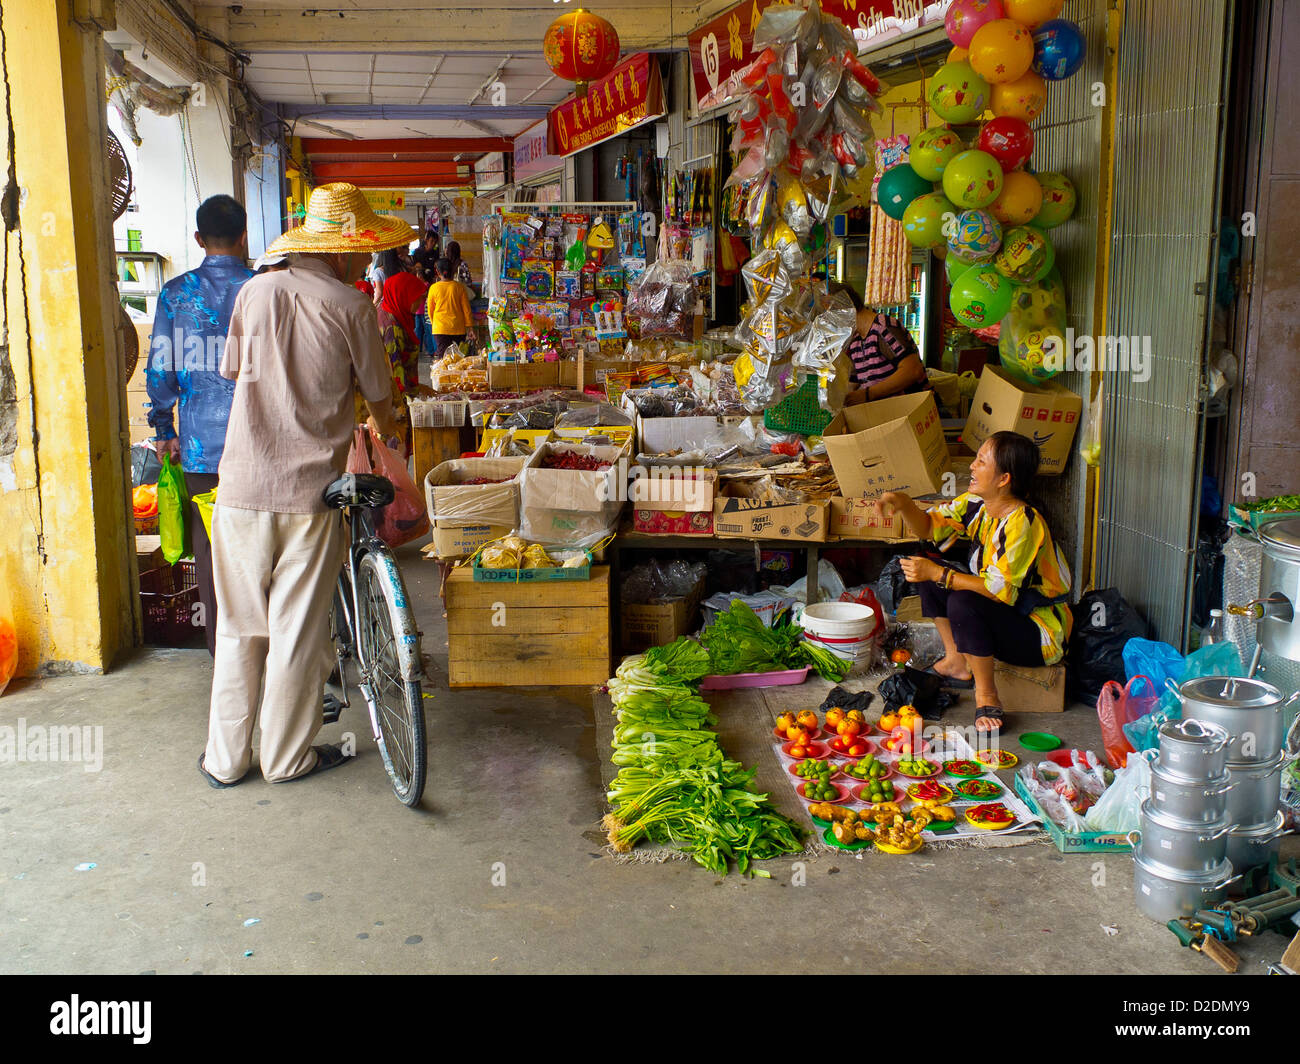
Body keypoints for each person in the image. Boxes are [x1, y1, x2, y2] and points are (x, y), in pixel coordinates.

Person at [199, 182, 409, 788]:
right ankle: (287, 759)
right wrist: (389, 433)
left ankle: (225, 760)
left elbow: (235, 370)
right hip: (312, 495)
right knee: (295, 629)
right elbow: (378, 398)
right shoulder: (351, 305)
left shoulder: (253, 291)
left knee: (241, 628)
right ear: (344, 249)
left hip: (239, 489)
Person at [874, 430, 1073, 734]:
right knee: (927, 564)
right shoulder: (979, 504)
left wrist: (940, 575)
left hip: (1038, 633)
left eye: (981, 461)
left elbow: (999, 592)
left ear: (1003, 478)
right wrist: (904, 505)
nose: (972, 466)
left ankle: (987, 696)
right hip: (1007, 616)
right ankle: (956, 661)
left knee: (960, 595)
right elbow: (930, 527)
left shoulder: (1022, 522)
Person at [146, 194, 254, 657]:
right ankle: (266, 649)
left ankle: (222, 653)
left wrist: (163, 428)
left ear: (198, 238)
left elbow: (160, 367)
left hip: (199, 448)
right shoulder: (261, 289)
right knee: (260, 548)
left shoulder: (175, 294)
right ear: (244, 235)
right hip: (260, 443)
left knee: (210, 554)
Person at [832, 284, 928, 404]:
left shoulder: (883, 327)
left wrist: (868, 394)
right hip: (885, 413)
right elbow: (854, 384)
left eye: (831, 318)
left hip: (913, 410)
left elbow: (913, 371)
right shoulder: (855, 340)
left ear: (843, 310)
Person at [426, 256, 473, 356]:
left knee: (443, 359)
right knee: (458, 359)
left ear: (438, 272)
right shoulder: (459, 287)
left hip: (440, 328)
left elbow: (430, 310)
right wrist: (470, 328)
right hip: (458, 329)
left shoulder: (433, 288)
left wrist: (435, 323)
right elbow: (466, 309)